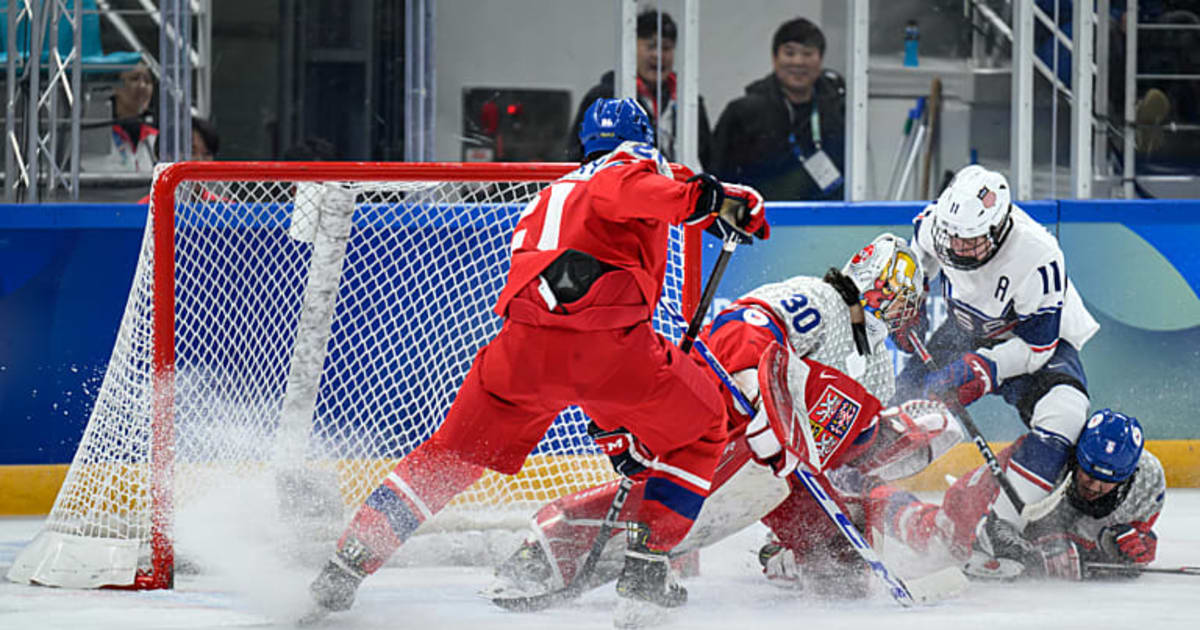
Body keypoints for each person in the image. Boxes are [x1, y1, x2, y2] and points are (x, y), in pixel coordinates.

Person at [305, 97, 769, 626]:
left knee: (446, 460)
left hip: (520, 352)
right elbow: (630, 188)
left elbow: (587, 285)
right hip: (608, 349)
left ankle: (346, 566)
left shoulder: (556, 191)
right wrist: (703, 198)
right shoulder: (626, 167)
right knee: (704, 427)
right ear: (643, 142)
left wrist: (719, 200)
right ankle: (646, 566)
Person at [487, 233, 966, 600]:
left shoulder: (876, 361)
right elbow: (744, 325)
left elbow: (840, 444)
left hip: (777, 465)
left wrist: (886, 440)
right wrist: (755, 390)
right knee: (677, 491)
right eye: (905, 296)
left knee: (838, 566)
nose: (909, 309)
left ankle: (781, 553)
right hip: (720, 416)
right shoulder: (821, 299)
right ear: (883, 287)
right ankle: (551, 546)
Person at [895, 164, 1101, 550]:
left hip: (1027, 340)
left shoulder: (1038, 256)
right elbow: (917, 254)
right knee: (898, 407)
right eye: (953, 237)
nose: (958, 248)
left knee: (1067, 413)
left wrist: (984, 369)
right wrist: (912, 300)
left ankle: (1001, 527)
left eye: (970, 240)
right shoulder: (940, 226)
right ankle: (859, 500)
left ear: (999, 228)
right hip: (964, 331)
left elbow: (1037, 349)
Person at [867, 408, 1165, 581]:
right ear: (1077, 456)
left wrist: (1133, 541)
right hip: (988, 504)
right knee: (939, 539)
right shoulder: (1042, 462)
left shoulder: (1149, 480)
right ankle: (876, 499)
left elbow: (1132, 529)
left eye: (1107, 481)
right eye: (1088, 472)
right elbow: (995, 523)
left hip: (1045, 532)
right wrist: (1033, 553)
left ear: (1128, 476)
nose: (1094, 486)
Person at [710, 17, 845, 201]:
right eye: (790, 53)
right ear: (774, 58)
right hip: (761, 219)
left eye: (807, 54)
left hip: (827, 220)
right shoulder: (744, 113)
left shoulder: (839, 110)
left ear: (820, 59)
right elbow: (718, 175)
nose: (798, 62)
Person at [565, 10, 713, 169]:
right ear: (631, 47)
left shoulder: (689, 101)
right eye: (651, 46)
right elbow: (578, 156)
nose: (658, 55)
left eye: (667, 48)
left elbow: (708, 158)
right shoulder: (605, 99)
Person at [82, 62, 157, 173]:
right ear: (116, 87)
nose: (142, 86)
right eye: (135, 79)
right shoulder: (96, 132)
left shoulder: (155, 137)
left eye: (147, 81)